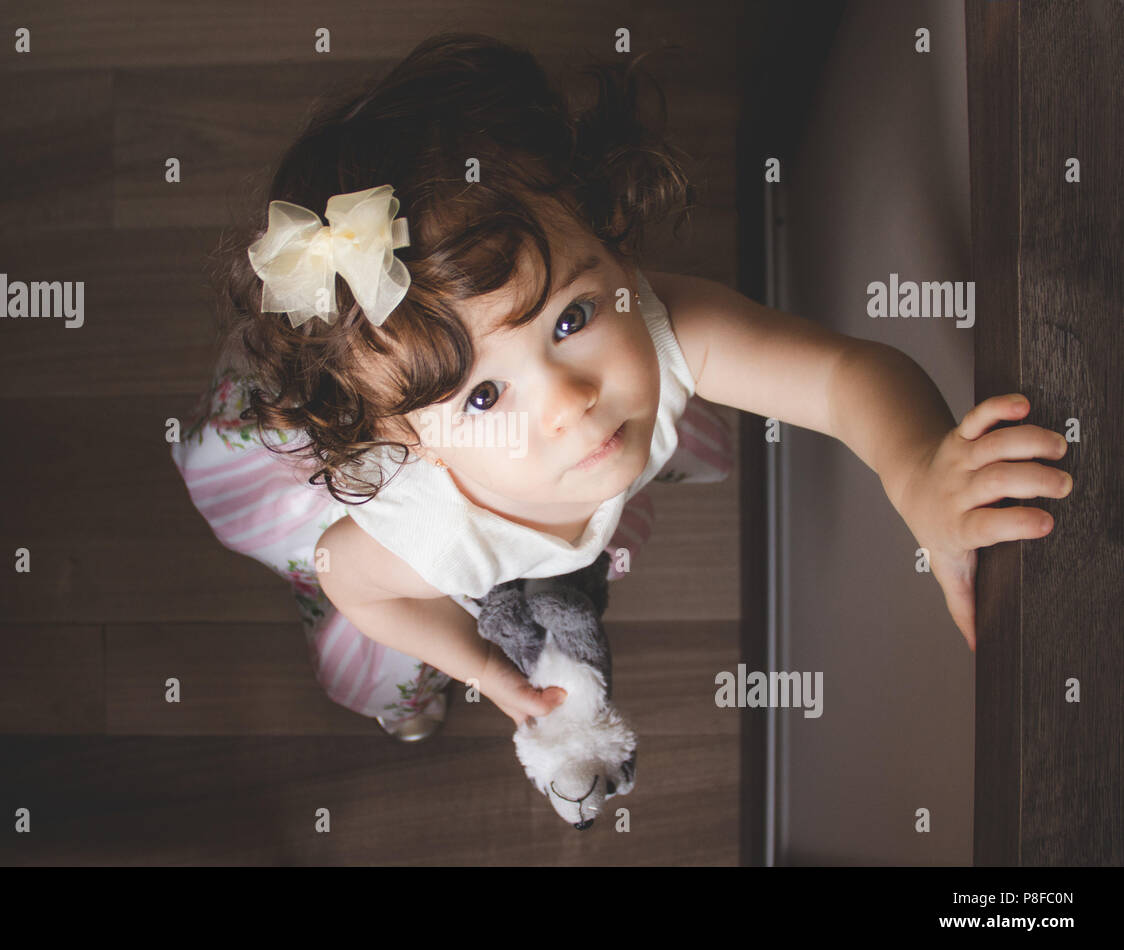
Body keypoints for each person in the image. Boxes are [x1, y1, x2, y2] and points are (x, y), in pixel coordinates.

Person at [170, 33, 1070, 742]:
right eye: (483, 397)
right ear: (408, 440)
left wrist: (917, 471)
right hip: (386, 549)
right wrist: (485, 672)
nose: (566, 402)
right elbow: (350, 584)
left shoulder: (676, 329)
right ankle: (411, 705)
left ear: (616, 245)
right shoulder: (414, 534)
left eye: (570, 319)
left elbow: (842, 380)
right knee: (384, 667)